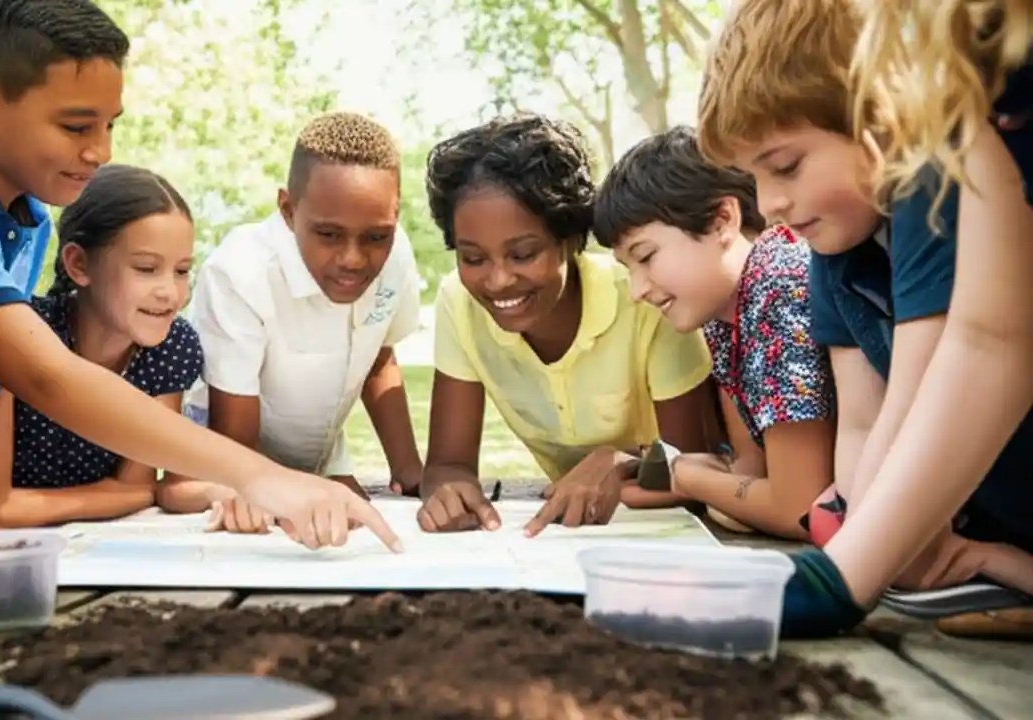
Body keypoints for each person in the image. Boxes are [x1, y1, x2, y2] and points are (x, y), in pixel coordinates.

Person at [0, 0, 399, 552]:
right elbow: (49, 378)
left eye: (108, 126)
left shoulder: (28, 221)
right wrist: (263, 477)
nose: (100, 151)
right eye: (76, 125)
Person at [697, 0, 1033, 637]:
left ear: (881, 113)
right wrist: (857, 535)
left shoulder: (929, 183)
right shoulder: (834, 254)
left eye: (787, 166)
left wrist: (854, 562)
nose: (769, 205)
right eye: (755, 177)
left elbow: (930, 378)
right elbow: (970, 351)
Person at [417, 114, 717, 538]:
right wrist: (451, 490)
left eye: (522, 254)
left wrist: (621, 459)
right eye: (473, 257)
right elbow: (448, 465)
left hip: (659, 533)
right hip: (566, 537)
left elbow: (694, 457)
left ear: (570, 238)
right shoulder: (459, 303)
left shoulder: (643, 298)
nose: (498, 279)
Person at [179, 112, 424, 533]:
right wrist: (294, 492)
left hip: (320, 464)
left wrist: (413, 474)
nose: (353, 259)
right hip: (231, 471)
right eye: (329, 235)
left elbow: (379, 359)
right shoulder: (240, 272)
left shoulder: (396, 255)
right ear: (288, 211)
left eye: (376, 236)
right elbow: (236, 450)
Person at [595, 126, 836, 541]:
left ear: (723, 220)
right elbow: (749, 469)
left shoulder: (778, 285)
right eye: (627, 269)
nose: (636, 291)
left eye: (646, 256)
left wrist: (687, 476)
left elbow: (798, 507)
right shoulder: (726, 313)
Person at [0, 164, 204, 527]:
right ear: (78, 264)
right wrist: (116, 495)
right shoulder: (21, 332)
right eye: (146, 268)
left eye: (182, 271)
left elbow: (137, 486)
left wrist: (129, 494)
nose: (170, 291)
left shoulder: (172, 345)